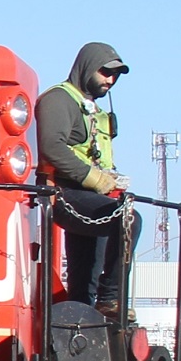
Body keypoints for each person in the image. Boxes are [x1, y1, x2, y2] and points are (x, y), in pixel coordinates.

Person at [38, 41, 138, 316]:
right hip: (64, 194)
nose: (111, 79)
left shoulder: (94, 110)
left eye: (115, 75)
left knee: (84, 282)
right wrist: (96, 179)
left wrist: (111, 181)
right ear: (87, 68)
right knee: (128, 220)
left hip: (92, 198)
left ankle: (83, 324)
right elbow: (52, 147)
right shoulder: (58, 100)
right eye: (105, 72)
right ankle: (112, 296)